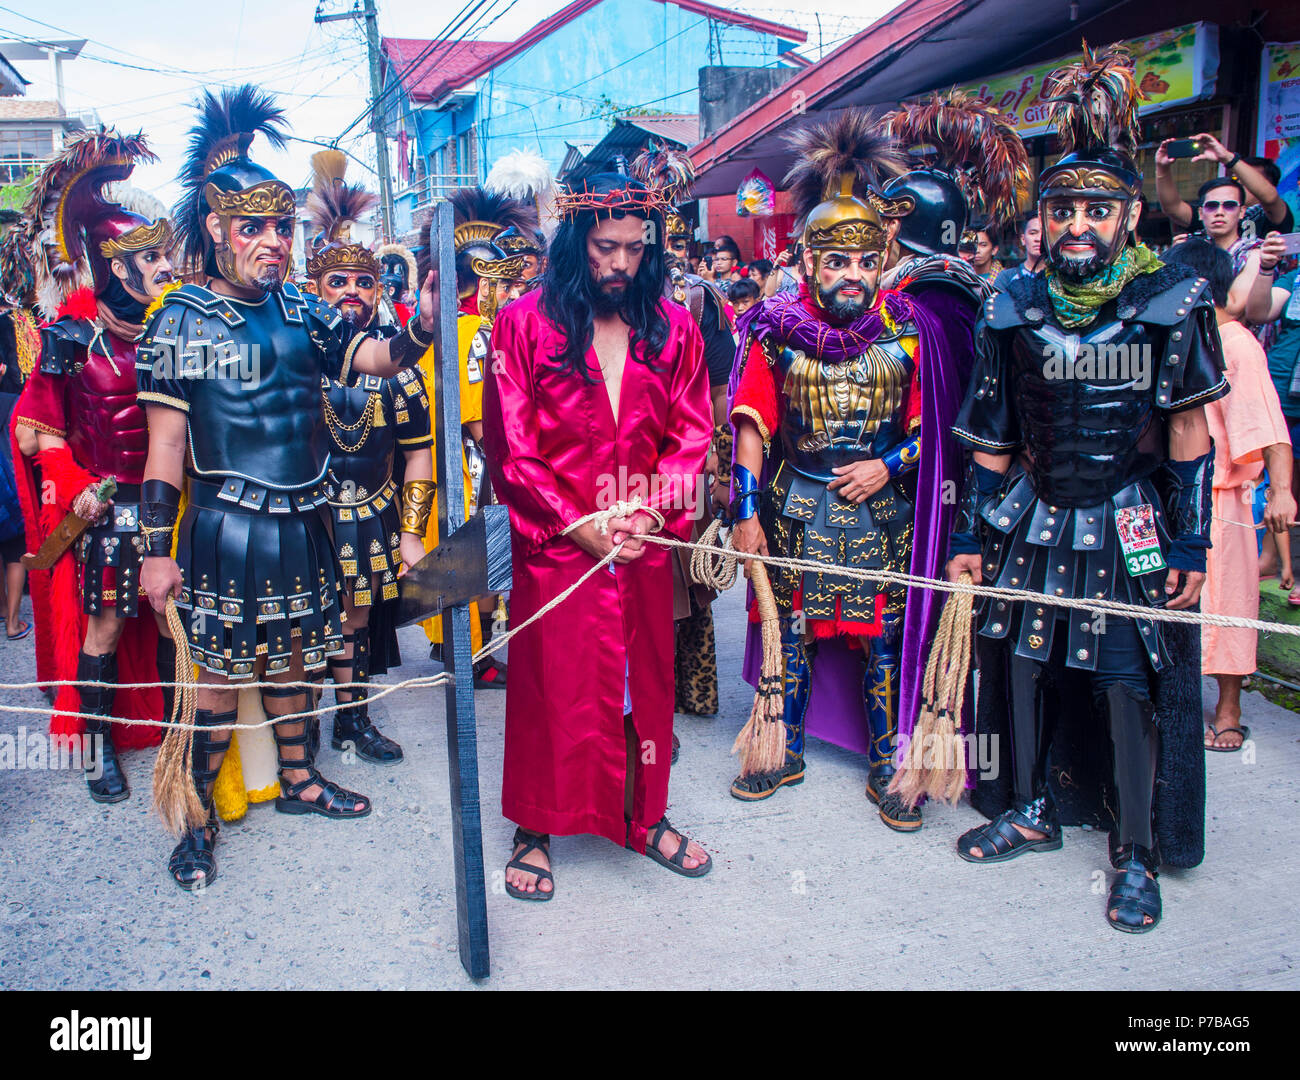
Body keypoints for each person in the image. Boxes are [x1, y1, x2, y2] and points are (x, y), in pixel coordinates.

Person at [947, 45, 1225, 933]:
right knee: (1021, 662)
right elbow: (989, 436)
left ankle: (1135, 849)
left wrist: (1190, 541)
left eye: (1096, 209)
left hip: (1129, 517)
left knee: (1121, 679)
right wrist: (968, 536)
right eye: (1061, 207)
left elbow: (1188, 430)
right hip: (1030, 516)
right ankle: (1028, 808)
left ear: (1130, 214)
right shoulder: (1010, 303)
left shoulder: (1171, 300)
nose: (1076, 224)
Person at [135, 86, 438, 890]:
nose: (273, 242)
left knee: (298, 661)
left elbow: (372, 360)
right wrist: (154, 551)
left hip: (308, 519)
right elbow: (165, 446)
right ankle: (195, 824)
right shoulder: (183, 320)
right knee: (217, 686)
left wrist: (421, 325)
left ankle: (302, 781)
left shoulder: (304, 310)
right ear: (216, 230)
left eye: (281, 227)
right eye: (254, 228)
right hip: (225, 526)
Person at [482, 170, 714, 900]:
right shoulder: (522, 325)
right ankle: (535, 827)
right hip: (556, 548)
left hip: (640, 546)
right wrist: (574, 525)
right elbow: (511, 450)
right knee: (553, 688)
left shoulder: (674, 327)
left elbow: (691, 437)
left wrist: (648, 516)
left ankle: (644, 816)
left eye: (635, 250)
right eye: (605, 247)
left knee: (641, 685)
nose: (619, 264)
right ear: (574, 242)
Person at [726, 110, 956, 831]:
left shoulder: (913, 329)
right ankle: (782, 742)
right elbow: (751, 426)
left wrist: (888, 467)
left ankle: (888, 758)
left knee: (882, 636)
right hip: (796, 504)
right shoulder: (773, 331)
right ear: (808, 264)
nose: (851, 275)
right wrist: (743, 511)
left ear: (879, 260)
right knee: (787, 630)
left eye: (863, 261)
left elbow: (934, 432)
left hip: (881, 512)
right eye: (836, 261)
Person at [14, 128, 178, 803]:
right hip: (105, 509)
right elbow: (36, 431)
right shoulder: (70, 342)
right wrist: (78, 491)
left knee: (172, 618)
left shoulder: (176, 333)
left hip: (167, 502)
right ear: (114, 266)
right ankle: (96, 747)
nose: (163, 267)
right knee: (106, 626)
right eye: (149, 257)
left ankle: (179, 728)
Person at [878, 90, 1028, 814]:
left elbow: (942, 411)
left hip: (939, 483)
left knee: (928, 617)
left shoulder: (921, 298)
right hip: (959, 479)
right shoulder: (966, 292)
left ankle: (923, 753)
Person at [304, 151, 434, 765]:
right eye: (338, 282)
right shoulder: (295, 365)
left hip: (375, 513)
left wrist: (411, 533)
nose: (352, 292)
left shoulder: (400, 372)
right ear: (315, 288)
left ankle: (352, 720)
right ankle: (298, 729)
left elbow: (419, 457)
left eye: (363, 282)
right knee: (302, 621)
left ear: (379, 290)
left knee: (356, 618)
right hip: (306, 515)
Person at [1161, 237, 1295, 750]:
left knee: (1229, 603)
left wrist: (1281, 492)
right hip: (1174, 494)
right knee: (1176, 600)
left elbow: (1270, 427)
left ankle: (1229, 707)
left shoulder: (1236, 342)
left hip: (1224, 498)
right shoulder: (1177, 335)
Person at [630, 147, 735, 724]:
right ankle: (634, 698)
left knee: (683, 576)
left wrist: (717, 469)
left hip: (686, 456)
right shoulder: (606, 292)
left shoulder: (698, 298)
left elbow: (718, 393)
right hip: (618, 459)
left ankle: (678, 692)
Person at [418, 186, 533, 687]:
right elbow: (476, 417)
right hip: (474, 465)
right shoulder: (473, 333)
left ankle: (463, 648)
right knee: (477, 556)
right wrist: (516, 461)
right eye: (503, 279)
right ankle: (473, 656)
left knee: (470, 556)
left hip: (457, 461)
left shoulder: (458, 327)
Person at [1156, 135, 1293, 239]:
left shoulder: (1272, 214)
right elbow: (1173, 208)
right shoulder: (1215, 211)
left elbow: (1269, 197)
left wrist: (1227, 158)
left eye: (1246, 179)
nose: (1239, 183)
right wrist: (1162, 168)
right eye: (1236, 178)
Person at [993, 216, 1045, 290]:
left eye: (1043, 234)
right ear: (1023, 239)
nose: (1038, 239)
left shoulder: (1058, 277)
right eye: (1033, 233)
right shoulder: (1007, 277)